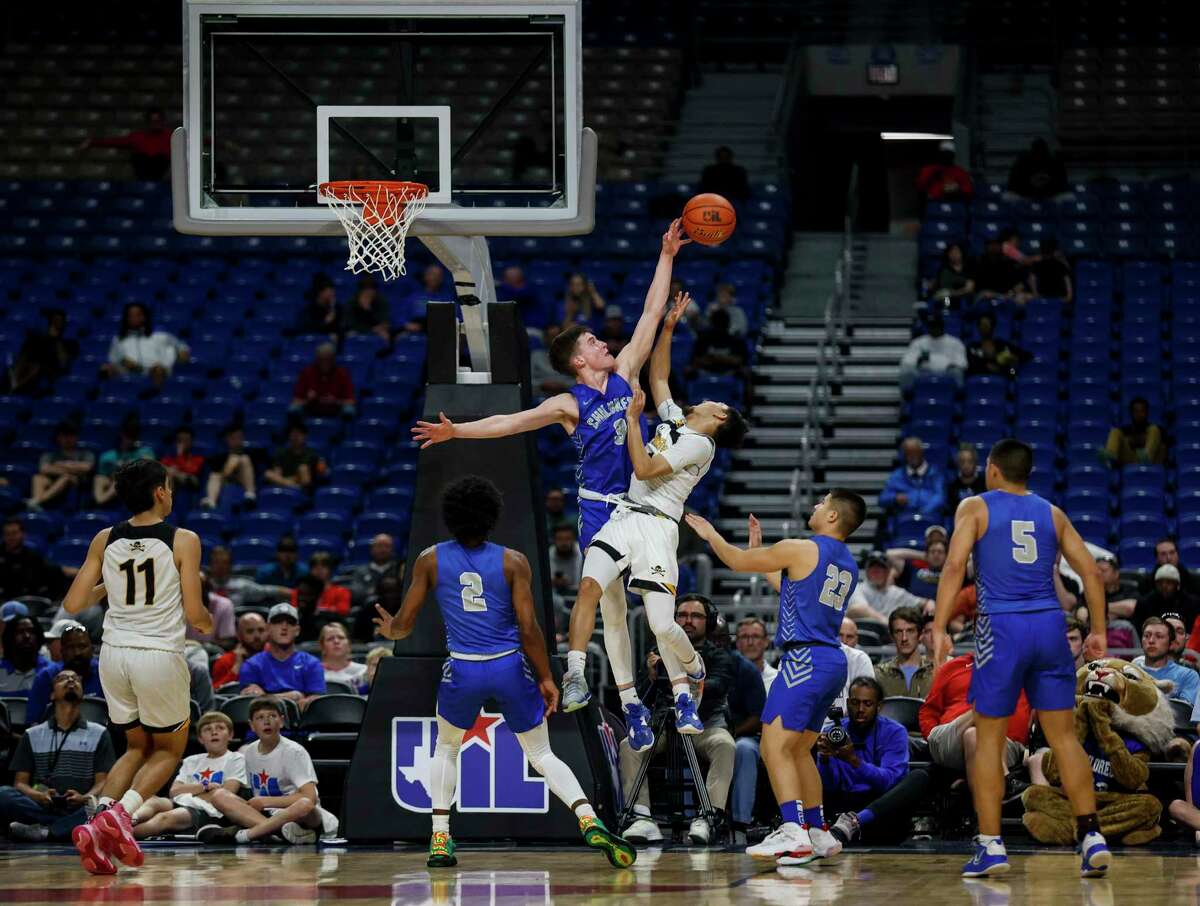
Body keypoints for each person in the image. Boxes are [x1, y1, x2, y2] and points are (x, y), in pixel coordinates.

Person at [412, 221, 691, 716]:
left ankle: (672, 692)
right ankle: (625, 702)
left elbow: (652, 312)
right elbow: (510, 422)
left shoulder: (627, 372)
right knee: (609, 607)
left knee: (648, 608)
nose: (604, 342)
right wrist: (458, 431)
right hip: (600, 511)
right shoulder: (570, 402)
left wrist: (666, 254)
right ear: (578, 359)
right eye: (592, 340)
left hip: (642, 506)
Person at [372, 475, 636, 869]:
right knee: (542, 753)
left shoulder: (430, 559)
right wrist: (547, 677)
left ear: (451, 517)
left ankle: (441, 837)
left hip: (463, 668)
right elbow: (529, 629)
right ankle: (588, 818)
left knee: (446, 748)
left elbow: (404, 625)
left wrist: (389, 628)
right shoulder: (513, 561)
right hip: (510, 664)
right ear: (491, 516)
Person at [561, 293, 748, 735]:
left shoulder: (700, 445)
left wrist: (631, 421)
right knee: (592, 587)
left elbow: (643, 468)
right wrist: (667, 329)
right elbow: (659, 376)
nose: (699, 399)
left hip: (659, 529)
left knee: (663, 625)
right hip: (626, 517)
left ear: (719, 415)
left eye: (710, 401)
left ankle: (693, 666)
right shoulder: (679, 422)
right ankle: (578, 674)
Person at [931, 438, 1110, 878]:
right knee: (1063, 737)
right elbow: (1090, 570)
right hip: (1050, 625)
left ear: (992, 469)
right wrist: (1100, 631)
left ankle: (991, 845)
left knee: (989, 740)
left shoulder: (974, 506)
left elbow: (954, 567)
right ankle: (1091, 835)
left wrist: (938, 626)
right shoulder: (1052, 512)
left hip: (1002, 627)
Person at [686, 489, 867, 867]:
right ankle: (818, 832)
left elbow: (735, 562)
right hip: (831, 661)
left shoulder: (801, 547)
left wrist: (710, 535)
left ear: (833, 516)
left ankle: (793, 830)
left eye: (823, 503)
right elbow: (790, 591)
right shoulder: (846, 561)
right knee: (800, 750)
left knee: (773, 746)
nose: (816, 506)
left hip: (803, 658)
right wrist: (760, 550)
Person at [60, 458, 213, 875]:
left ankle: (97, 823)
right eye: (169, 486)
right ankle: (123, 813)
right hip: (157, 654)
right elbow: (196, 613)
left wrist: (112, 582)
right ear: (161, 492)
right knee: (169, 749)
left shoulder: (104, 538)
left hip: (113, 654)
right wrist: (207, 624)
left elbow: (73, 605)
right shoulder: (183, 539)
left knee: (134, 746)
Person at [620, 595, 739, 845]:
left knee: (725, 744)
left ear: (710, 622)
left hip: (705, 726)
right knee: (628, 745)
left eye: (696, 616)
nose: (688, 621)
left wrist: (680, 675)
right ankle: (642, 817)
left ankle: (709, 816)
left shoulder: (720, 655)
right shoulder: (657, 652)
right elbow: (640, 696)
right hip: (664, 726)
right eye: (682, 615)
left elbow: (718, 687)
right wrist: (653, 676)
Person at [196, 696, 338, 845]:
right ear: (252, 725)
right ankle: (278, 833)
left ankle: (247, 835)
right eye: (260, 717)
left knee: (304, 804)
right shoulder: (249, 751)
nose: (267, 721)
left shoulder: (294, 751)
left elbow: (310, 798)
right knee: (219, 796)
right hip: (266, 814)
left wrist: (265, 801)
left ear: (281, 721)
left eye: (272, 716)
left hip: (298, 814)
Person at [0, 670, 115, 842]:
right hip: (41, 805)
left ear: (83, 693)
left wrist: (84, 797)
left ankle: (46, 831)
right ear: (52, 695)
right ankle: (65, 829)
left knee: (105, 804)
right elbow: (20, 783)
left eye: (76, 679)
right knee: (4, 794)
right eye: (63, 678)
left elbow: (103, 782)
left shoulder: (100, 733)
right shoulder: (32, 734)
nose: (71, 680)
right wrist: (38, 795)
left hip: (80, 805)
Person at [819, 677, 930, 846]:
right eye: (855, 703)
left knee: (919, 777)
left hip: (880, 810)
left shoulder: (894, 732)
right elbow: (829, 787)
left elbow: (888, 782)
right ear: (848, 703)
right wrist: (825, 759)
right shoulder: (834, 732)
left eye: (867, 704)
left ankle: (854, 823)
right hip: (842, 809)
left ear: (879, 707)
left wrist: (853, 760)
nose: (860, 709)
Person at [919, 650, 1033, 800]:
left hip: (1006, 746)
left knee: (974, 734)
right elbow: (928, 711)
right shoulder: (953, 667)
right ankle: (1005, 781)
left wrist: (1030, 749)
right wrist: (932, 736)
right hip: (951, 738)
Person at [128, 711, 246, 840]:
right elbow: (174, 791)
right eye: (207, 729)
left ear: (230, 735)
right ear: (200, 738)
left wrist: (188, 790)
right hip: (182, 802)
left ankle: (118, 835)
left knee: (164, 818)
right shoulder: (191, 760)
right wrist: (206, 786)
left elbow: (227, 793)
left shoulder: (236, 758)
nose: (214, 732)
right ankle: (125, 820)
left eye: (220, 728)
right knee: (153, 801)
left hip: (210, 811)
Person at [238, 603, 326, 709]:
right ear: (268, 628)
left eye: (290, 622)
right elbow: (251, 703)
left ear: (297, 630)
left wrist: (266, 697)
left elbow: (316, 702)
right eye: (278, 622)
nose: (284, 627)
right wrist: (294, 696)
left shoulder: (312, 663)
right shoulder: (251, 665)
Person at [26, 624, 104, 724]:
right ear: (62, 651)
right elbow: (33, 722)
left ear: (92, 649)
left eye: (82, 646)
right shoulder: (46, 676)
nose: (77, 653)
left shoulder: (104, 674)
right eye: (71, 647)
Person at [101, 303, 190, 388]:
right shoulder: (119, 339)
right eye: (130, 316)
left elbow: (181, 346)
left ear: (144, 317)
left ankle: (155, 394)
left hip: (154, 369)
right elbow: (113, 360)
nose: (133, 318)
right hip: (129, 371)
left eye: (137, 315)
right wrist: (123, 362)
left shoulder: (160, 334)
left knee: (157, 370)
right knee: (105, 368)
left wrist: (183, 352)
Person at [78, 109, 172, 180]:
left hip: (161, 170)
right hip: (142, 170)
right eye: (153, 121)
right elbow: (115, 142)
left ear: (163, 121)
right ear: (148, 122)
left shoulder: (170, 137)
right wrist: (92, 142)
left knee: (159, 159)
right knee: (140, 157)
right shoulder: (137, 137)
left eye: (158, 121)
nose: (156, 124)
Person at [5, 307, 78, 395]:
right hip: (28, 369)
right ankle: (14, 386)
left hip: (49, 373)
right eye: (55, 320)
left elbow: (64, 362)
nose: (57, 323)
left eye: (60, 321)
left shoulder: (69, 343)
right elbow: (24, 356)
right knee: (23, 364)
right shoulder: (36, 339)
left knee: (36, 367)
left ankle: (15, 389)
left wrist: (57, 340)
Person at [845, 551, 929, 623]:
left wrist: (929, 604)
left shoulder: (897, 593)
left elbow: (922, 603)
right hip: (863, 637)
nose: (876, 571)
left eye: (880, 568)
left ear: (888, 572)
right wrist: (887, 624)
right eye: (872, 568)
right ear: (867, 571)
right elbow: (858, 609)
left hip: (891, 639)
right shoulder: (858, 588)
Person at [27, 422, 95, 511]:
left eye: (71, 436)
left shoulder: (86, 454)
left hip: (77, 483)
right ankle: (37, 504)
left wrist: (59, 465)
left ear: (76, 437)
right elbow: (44, 469)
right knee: (38, 478)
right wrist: (72, 467)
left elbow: (87, 467)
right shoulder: (49, 455)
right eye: (64, 436)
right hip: (52, 481)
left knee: (66, 477)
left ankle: (36, 502)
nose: (67, 439)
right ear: (58, 438)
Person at [1133, 617, 1199, 706]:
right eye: (1147, 636)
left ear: (1170, 644)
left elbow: (1183, 713)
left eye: (1159, 636)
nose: (1151, 641)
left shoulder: (1188, 676)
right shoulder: (1130, 670)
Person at [879, 437, 946, 524]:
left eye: (915, 453)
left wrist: (923, 512)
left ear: (922, 452)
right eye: (909, 453)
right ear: (904, 455)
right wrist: (895, 498)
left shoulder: (935, 474)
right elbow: (882, 499)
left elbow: (940, 497)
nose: (912, 457)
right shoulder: (897, 475)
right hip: (904, 519)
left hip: (931, 518)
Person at [0, 518, 69, 600]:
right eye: (7, 534)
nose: (11, 537)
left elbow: (52, 569)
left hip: (28, 599)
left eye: (14, 533)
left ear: (23, 534)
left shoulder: (32, 556)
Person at [94, 417, 156, 507]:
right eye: (128, 435)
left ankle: (101, 501)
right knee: (99, 478)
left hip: (136, 488)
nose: (130, 439)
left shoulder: (146, 452)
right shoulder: (107, 456)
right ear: (122, 434)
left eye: (133, 436)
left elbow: (148, 471)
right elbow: (104, 474)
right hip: (112, 485)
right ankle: (99, 501)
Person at [874, 607, 935, 699]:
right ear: (892, 636)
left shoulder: (935, 672)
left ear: (920, 635)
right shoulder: (880, 674)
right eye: (898, 632)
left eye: (910, 631)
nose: (904, 638)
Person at [899, 313, 966, 392]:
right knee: (907, 371)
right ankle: (910, 398)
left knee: (957, 372)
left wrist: (951, 365)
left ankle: (956, 398)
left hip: (947, 375)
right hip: (923, 375)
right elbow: (907, 361)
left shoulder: (955, 342)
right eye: (932, 326)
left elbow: (962, 362)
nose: (934, 328)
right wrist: (918, 360)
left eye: (937, 325)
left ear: (942, 326)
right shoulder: (918, 342)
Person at [206, 546, 287, 608]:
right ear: (210, 565)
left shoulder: (242, 586)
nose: (220, 566)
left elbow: (265, 590)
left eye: (224, 562)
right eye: (216, 562)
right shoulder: (202, 586)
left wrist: (291, 592)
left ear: (231, 566)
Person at [200, 427, 260, 509]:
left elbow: (258, 474)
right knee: (214, 475)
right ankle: (211, 502)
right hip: (225, 481)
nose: (238, 440)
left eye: (240, 437)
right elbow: (221, 474)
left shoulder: (251, 453)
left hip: (244, 482)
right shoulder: (220, 456)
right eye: (234, 438)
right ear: (228, 439)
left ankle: (250, 495)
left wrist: (237, 460)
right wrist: (230, 463)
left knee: (244, 459)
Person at [291, 343, 356, 419]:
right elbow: (296, 400)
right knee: (294, 409)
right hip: (311, 407)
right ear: (317, 359)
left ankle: (343, 430)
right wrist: (307, 400)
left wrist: (336, 401)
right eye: (321, 359)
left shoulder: (342, 373)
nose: (324, 363)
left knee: (349, 410)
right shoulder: (307, 372)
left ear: (333, 359)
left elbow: (351, 401)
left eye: (327, 359)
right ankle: (299, 430)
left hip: (335, 408)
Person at [1133, 565, 1200, 637]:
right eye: (1160, 583)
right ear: (1155, 584)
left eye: (1169, 582)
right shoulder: (1144, 603)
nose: (1164, 586)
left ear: (1177, 584)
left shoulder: (1191, 603)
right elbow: (1139, 632)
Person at [210, 612, 268, 690]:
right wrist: (237, 667)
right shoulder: (224, 661)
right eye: (250, 631)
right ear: (239, 635)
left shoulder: (275, 656)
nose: (257, 636)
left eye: (261, 630)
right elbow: (215, 693)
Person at [1102, 397, 1166, 467]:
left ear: (1147, 413)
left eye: (1142, 411)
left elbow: (1166, 445)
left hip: (1151, 462)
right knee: (1115, 431)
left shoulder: (1156, 429)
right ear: (1131, 414)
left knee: (1154, 430)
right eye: (1136, 411)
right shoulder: (1125, 430)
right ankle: (1110, 457)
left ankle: (1146, 457)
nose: (1139, 414)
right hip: (1130, 460)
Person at [263, 422, 325, 493]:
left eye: (299, 434)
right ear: (289, 436)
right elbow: (277, 474)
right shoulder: (280, 453)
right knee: (268, 474)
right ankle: (295, 488)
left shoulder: (312, 454)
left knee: (303, 469)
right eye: (293, 434)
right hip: (285, 486)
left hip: (303, 486)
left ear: (305, 436)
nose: (296, 437)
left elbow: (309, 477)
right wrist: (289, 482)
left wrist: (288, 480)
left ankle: (299, 492)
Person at [290, 552, 352, 621]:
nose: (319, 569)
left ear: (330, 569)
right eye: (315, 566)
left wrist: (318, 611)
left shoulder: (342, 592)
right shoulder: (300, 592)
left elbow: (343, 612)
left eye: (324, 565)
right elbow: (294, 611)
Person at [343, 533, 402, 604]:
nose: (383, 550)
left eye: (387, 546)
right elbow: (356, 594)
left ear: (392, 550)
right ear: (372, 549)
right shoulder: (361, 570)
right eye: (379, 546)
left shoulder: (398, 569)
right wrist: (377, 591)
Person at [966, 314, 1028, 380]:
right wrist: (986, 367)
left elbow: (1025, 356)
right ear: (978, 328)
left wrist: (1014, 360)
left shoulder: (1003, 346)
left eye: (986, 325)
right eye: (982, 325)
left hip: (1001, 381)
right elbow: (970, 368)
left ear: (993, 327)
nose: (984, 328)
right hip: (978, 383)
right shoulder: (972, 348)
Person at [0, 614, 50, 696]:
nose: (27, 636)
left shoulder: (51, 671)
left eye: (31, 631)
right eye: (20, 632)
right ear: (10, 638)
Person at [186, 577, 236, 649]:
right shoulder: (173, 605)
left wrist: (202, 646)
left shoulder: (224, 605)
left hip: (213, 653)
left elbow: (227, 642)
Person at [318, 622, 367, 693]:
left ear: (349, 644)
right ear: (322, 647)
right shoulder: (312, 673)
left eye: (341, 637)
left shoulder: (364, 671)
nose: (336, 641)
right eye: (330, 639)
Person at [735, 614, 778, 691]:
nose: (750, 642)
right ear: (737, 643)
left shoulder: (779, 680)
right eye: (744, 637)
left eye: (756, 636)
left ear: (766, 642)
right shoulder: (727, 681)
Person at [343, 276, 390, 341]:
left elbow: (383, 321)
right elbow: (349, 323)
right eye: (366, 290)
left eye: (371, 289)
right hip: (357, 330)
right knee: (350, 335)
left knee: (385, 335)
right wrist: (370, 329)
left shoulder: (380, 302)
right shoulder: (352, 302)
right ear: (360, 291)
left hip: (377, 330)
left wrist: (368, 309)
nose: (369, 292)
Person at [160, 426, 204, 496]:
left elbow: (191, 471)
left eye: (186, 440)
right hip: (173, 478)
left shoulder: (197, 456)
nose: (183, 443)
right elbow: (161, 468)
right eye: (180, 440)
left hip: (191, 480)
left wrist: (179, 455)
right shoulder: (169, 456)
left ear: (191, 441)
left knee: (171, 473)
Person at [296, 275, 342, 340]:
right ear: (320, 292)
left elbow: (340, 328)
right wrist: (325, 322)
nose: (332, 294)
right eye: (328, 291)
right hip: (315, 341)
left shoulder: (337, 308)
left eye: (332, 290)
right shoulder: (309, 309)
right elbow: (308, 329)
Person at [945, 443, 987, 515]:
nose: (966, 465)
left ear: (976, 462)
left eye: (970, 461)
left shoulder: (985, 485)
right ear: (958, 463)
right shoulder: (952, 487)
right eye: (962, 461)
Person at [1029, 238, 1073, 302]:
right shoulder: (1060, 265)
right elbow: (1068, 281)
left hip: (1044, 298)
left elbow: (1031, 279)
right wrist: (1068, 297)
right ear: (1054, 251)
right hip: (1058, 299)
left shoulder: (1037, 264)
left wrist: (1036, 295)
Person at [548, 523, 583, 593]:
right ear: (553, 540)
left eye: (567, 538)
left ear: (574, 539)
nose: (564, 543)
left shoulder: (582, 553)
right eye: (560, 539)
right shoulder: (548, 554)